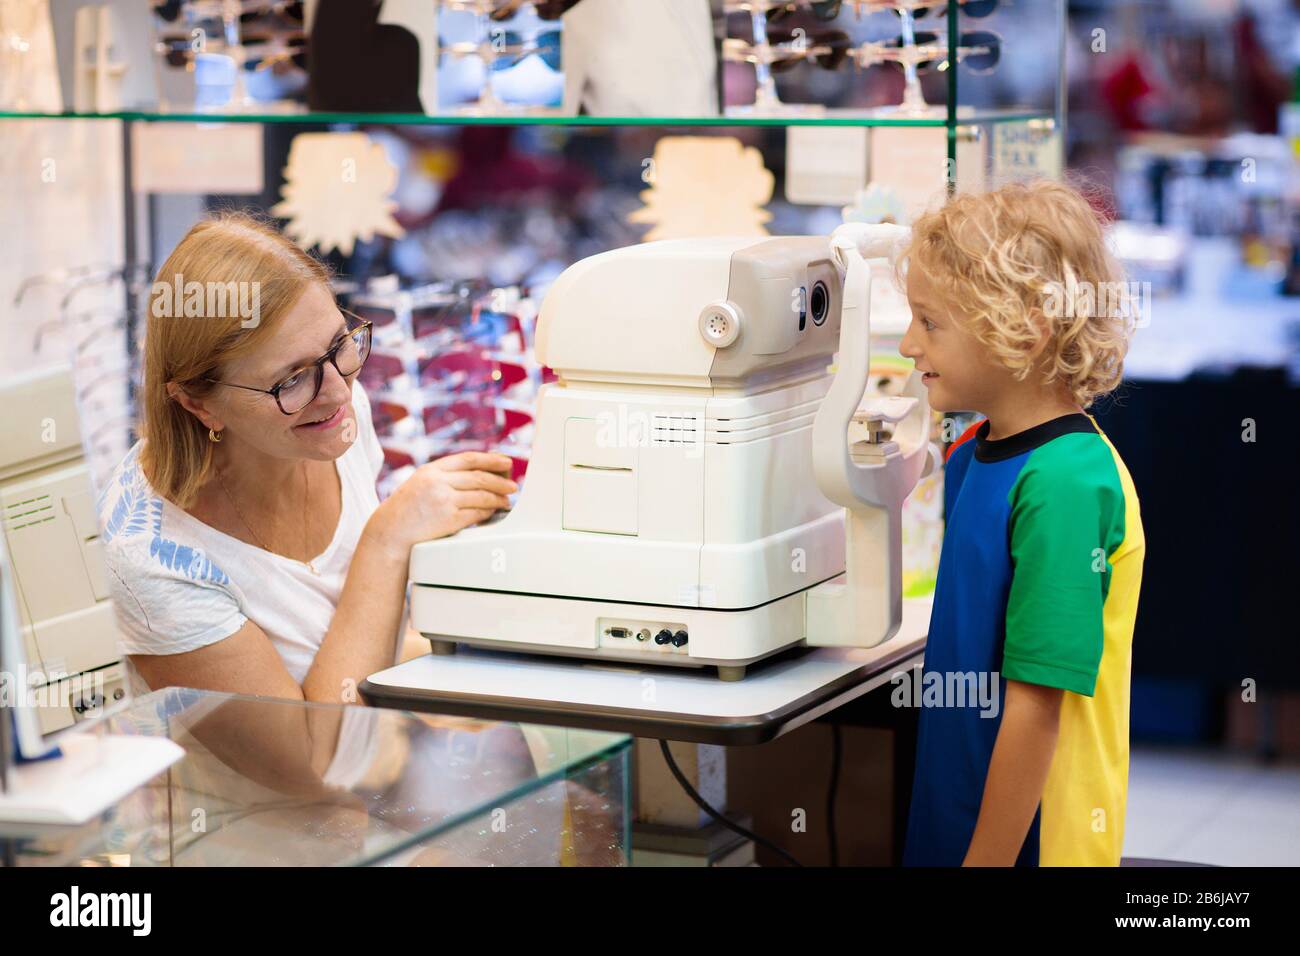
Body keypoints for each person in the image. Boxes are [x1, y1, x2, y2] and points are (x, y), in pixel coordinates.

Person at [99, 212, 515, 718]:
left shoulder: (331, 412)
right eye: (292, 379)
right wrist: (387, 541)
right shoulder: (151, 559)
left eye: (340, 344)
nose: (340, 392)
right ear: (197, 403)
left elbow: (357, 647)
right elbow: (311, 762)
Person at [893, 180, 1146, 866]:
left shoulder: (1065, 482)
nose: (908, 342)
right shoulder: (978, 451)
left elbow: (1037, 706)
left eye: (930, 321)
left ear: (1024, 326)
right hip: (964, 813)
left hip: (1030, 843)